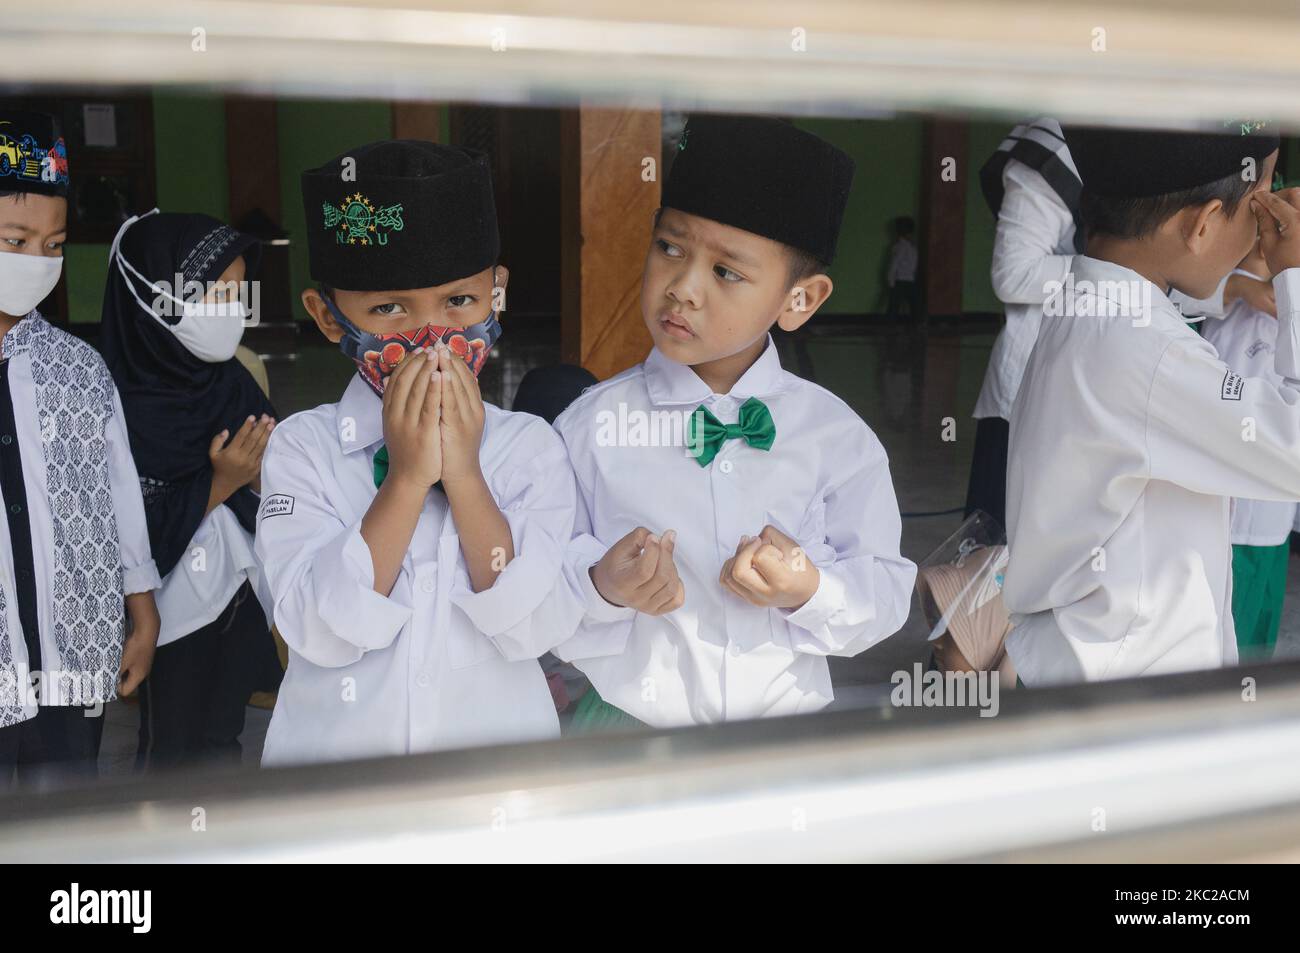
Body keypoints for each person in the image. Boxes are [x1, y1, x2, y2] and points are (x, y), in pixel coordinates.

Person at [552, 115, 916, 729]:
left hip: (783, 742)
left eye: (727, 271)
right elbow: (537, 597)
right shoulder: (588, 429)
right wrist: (602, 588)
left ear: (799, 300)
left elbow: (884, 593)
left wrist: (809, 591)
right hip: (626, 734)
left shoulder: (836, 437)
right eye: (670, 247)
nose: (684, 288)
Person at [254, 139, 577, 765]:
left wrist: (464, 475)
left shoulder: (528, 447)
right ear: (327, 318)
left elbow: (531, 626)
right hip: (336, 795)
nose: (433, 339)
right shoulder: (302, 447)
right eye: (389, 308)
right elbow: (315, 632)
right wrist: (404, 482)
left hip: (495, 794)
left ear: (496, 294)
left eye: (460, 301)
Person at [1003, 121, 1300, 685]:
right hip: (1131, 694)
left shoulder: (1092, 307)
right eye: (1259, 207)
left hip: (1085, 660)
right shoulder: (1149, 353)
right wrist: (1295, 276)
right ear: (1205, 222)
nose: (1263, 234)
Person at [967, 118, 1275, 529]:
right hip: (1042, 370)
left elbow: (1156, 257)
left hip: (1098, 357)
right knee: (993, 556)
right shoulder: (1056, 147)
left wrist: (1231, 288)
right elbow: (1015, 273)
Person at [0, 109, 161, 785]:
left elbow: (119, 493)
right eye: (15, 238)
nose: (38, 262)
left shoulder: (78, 368)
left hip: (75, 641)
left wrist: (142, 609)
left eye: (54, 244)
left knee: (61, 808)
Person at [99, 209, 282, 769]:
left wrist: (256, 478)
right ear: (154, 298)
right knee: (171, 747)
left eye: (236, 294)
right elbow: (123, 539)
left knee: (224, 736)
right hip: (169, 616)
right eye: (212, 294)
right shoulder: (113, 404)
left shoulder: (230, 379)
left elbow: (277, 477)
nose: (230, 311)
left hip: (237, 593)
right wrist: (220, 482)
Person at [1200, 236, 1294, 662]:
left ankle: (1246, 703)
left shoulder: (1290, 297)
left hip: (1270, 499)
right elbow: (1184, 299)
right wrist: (1241, 285)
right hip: (1220, 489)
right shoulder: (1212, 286)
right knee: (1220, 613)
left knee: (1257, 614)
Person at [885, 216, 919, 322]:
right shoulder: (905, 246)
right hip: (904, 280)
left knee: (895, 305)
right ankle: (916, 324)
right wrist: (891, 281)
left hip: (903, 280)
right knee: (913, 305)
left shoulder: (904, 246)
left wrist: (891, 281)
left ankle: (891, 326)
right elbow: (895, 264)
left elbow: (894, 264)